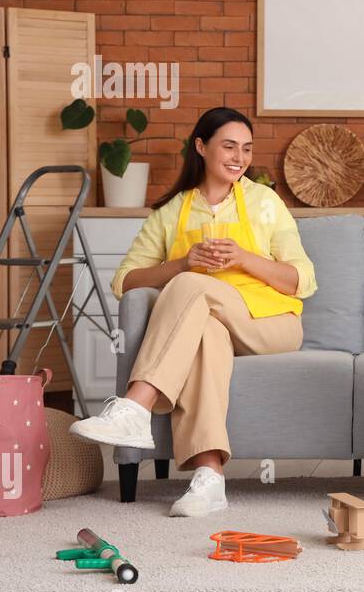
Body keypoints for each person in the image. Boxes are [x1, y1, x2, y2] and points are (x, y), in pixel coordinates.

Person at [70, 107, 316, 516]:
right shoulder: (172, 211)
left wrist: (242, 258)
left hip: (271, 323)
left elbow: (301, 279)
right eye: (229, 146)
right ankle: (209, 479)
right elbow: (125, 282)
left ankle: (135, 407)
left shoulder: (264, 202)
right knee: (205, 335)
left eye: (247, 149)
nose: (239, 157)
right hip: (212, 321)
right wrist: (183, 262)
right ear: (201, 147)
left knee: (189, 287)